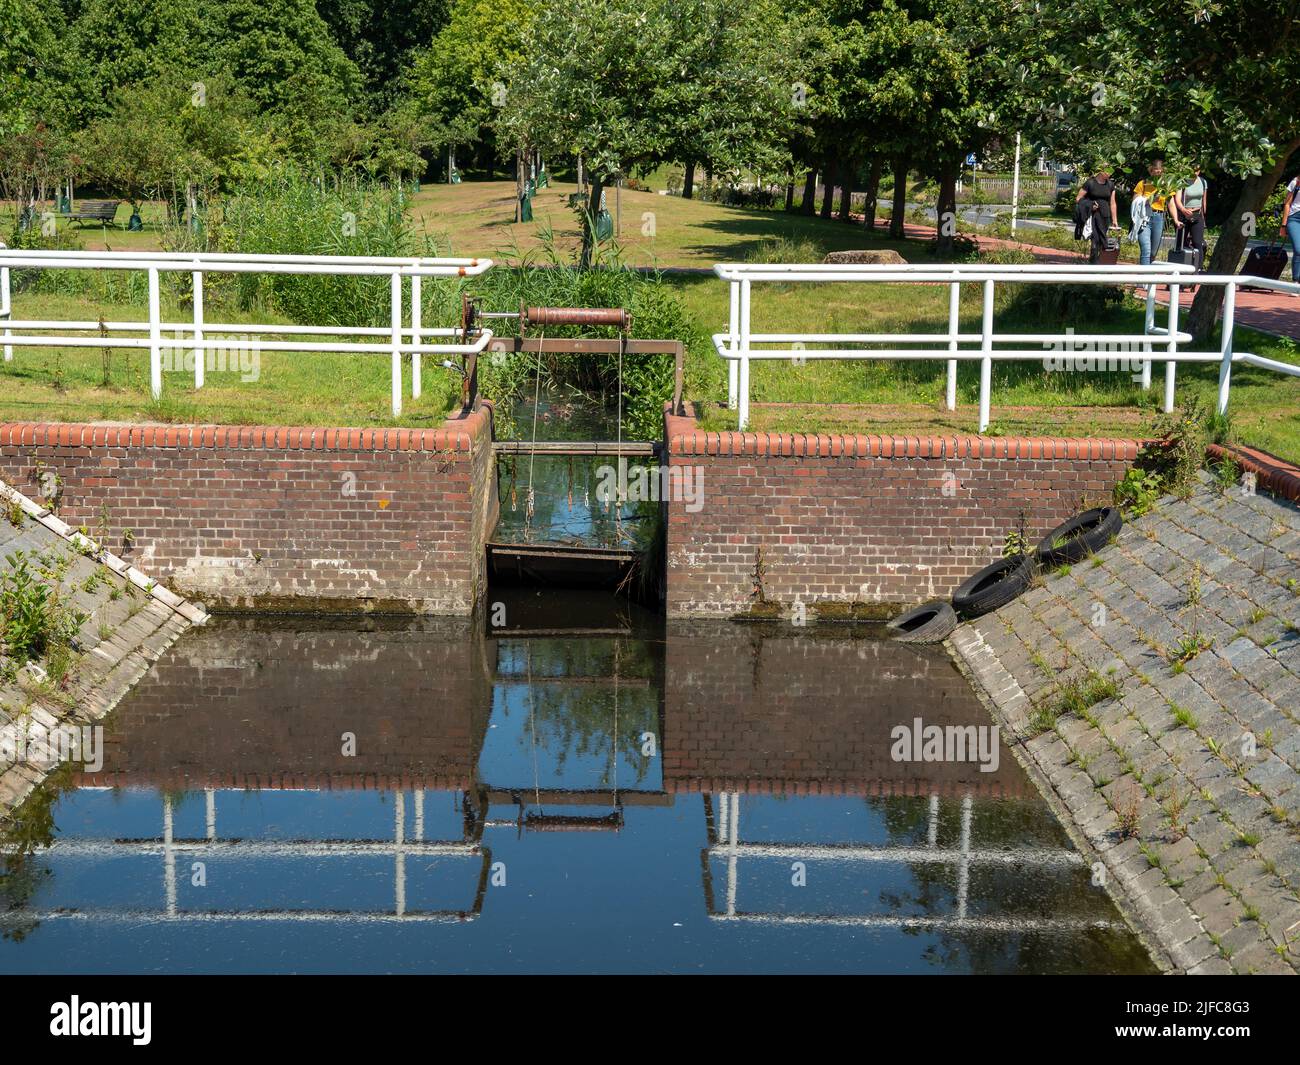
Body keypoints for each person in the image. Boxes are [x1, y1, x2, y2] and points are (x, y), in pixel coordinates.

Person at [1075, 165, 1120, 263]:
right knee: (1095, 240)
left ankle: (1099, 262)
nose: (1109, 174)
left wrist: (1115, 220)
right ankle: (1094, 263)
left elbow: (1112, 203)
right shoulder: (1090, 183)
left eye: (1111, 172)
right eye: (1107, 171)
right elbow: (1078, 199)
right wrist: (1090, 205)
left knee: (1101, 239)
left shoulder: (1110, 185)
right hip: (1092, 215)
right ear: (1101, 171)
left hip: (1105, 215)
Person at [1131, 159, 1170, 265]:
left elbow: (1171, 203)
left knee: (1153, 252)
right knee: (1146, 250)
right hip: (1144, 217)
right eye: (1155, 172)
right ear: (1151, 171)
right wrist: (1150, 199)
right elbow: (1135, 202)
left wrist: (1176, 219)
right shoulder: (1143, 184)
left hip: (1159, 217)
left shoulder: (1166, 185)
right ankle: (1144, 280)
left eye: (1160, 172)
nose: (1157, 174)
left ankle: (1149, 277)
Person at [1171, 167, 1208, 269]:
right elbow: (1177, 200)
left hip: (1197, 214)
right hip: (1184, 214)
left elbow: (1204, 201)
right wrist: (1183, 210)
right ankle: (1178, 267)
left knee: (1198, 242)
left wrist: (1204, 217)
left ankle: (1198, 269)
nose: (1195, 172)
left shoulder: (1203, 182)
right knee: (1181, 243)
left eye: (1197, 170)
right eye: (1193, 170)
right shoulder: (1182, 181)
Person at [1280, 173, 1300, 285]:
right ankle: (1296, 281)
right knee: (1298, 250)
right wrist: (1283, 225)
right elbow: (1287, 204)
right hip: (1295, 218)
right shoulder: (1296, 181)